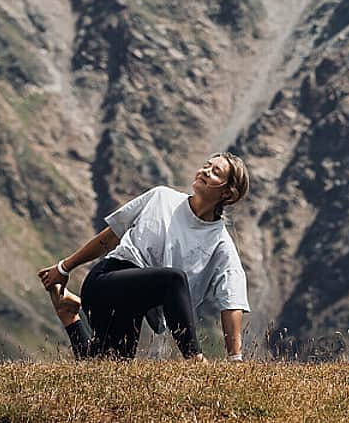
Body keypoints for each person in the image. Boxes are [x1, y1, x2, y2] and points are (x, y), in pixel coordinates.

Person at [38, 152, 251, 361]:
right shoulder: (161, 197)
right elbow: (111, 236)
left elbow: (232, 299)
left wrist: (235, 358)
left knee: (107, 371)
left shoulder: (221, 243)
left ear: (227, 194)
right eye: (207, 165)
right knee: (173, 279)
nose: (205, 171)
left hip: (135, 305)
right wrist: (64, 268)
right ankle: (195, 359)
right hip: (105, 282)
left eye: (215, 172)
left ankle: (69, 315)